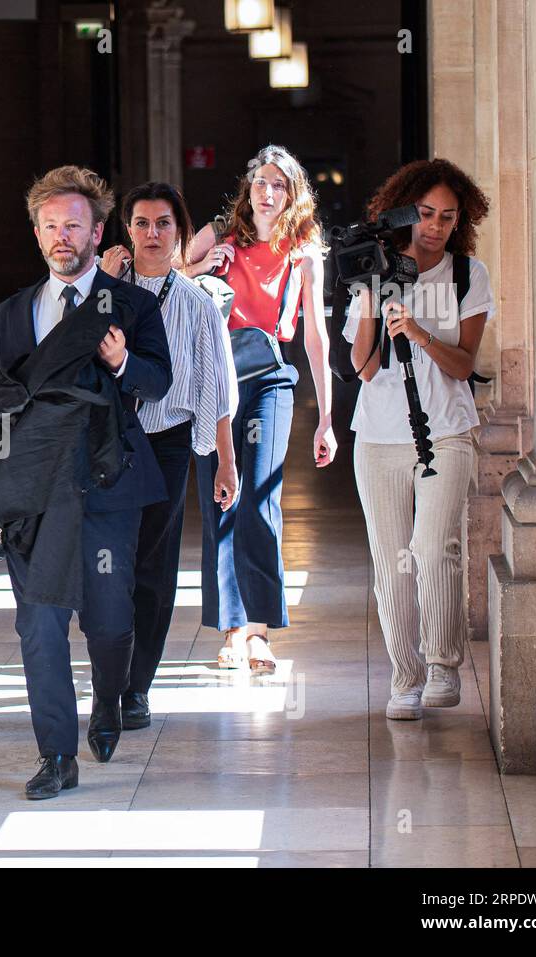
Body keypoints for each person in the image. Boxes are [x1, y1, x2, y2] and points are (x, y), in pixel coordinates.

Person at [0, 165, 172, 799]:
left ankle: (110, 701)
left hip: (106, 482)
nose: (63, 236)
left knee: (110, 621)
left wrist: (123, 362)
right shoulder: (10, 313)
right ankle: (56, 756)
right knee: (37, 624)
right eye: (51, 226)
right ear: (37, 235)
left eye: (74, 225)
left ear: (97, 232)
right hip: (32, 492)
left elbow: (159, 383)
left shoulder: (133, 305)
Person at [344, 158, 492, 720]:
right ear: (406, 212)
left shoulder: (466, 276)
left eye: (447, 218)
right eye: (426, 213)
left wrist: (421, 332)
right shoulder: (377, 270)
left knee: (434, 549)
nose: (434, 226)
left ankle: (442, 664)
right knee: (392, 559)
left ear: (461, 221)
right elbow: (362, 366)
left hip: (447, 431)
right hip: (379, 437)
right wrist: (371, 302)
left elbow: (463, 365)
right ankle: (404, 676)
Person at [185, 145, 337, 674]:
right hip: (215, 379)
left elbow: (315, 334)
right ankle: (230, 629)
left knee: (260, 502)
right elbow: (166, 276)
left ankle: (259, 630)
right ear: (247, 189)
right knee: (220, 500)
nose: (268, 192)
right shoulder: (219, 235)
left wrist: (327, 418)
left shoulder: (304, 249)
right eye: (260, 182)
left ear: (292, 194)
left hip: (271, 378)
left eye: (279, 184)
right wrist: (204, 263)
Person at [98, 182, 237, 729]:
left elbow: (216, 386)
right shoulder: (104, 289)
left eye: (162, 223)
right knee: (109, 563)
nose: (151, 234)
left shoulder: (199, 303)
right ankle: (110, 677)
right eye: (140, 223)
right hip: (109, 437)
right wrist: (103, 284)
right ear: (126, 231)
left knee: (154, 567)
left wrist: (224, 460)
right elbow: (70, 346)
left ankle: (137, 687)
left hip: (167, 442)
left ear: (180, 230)